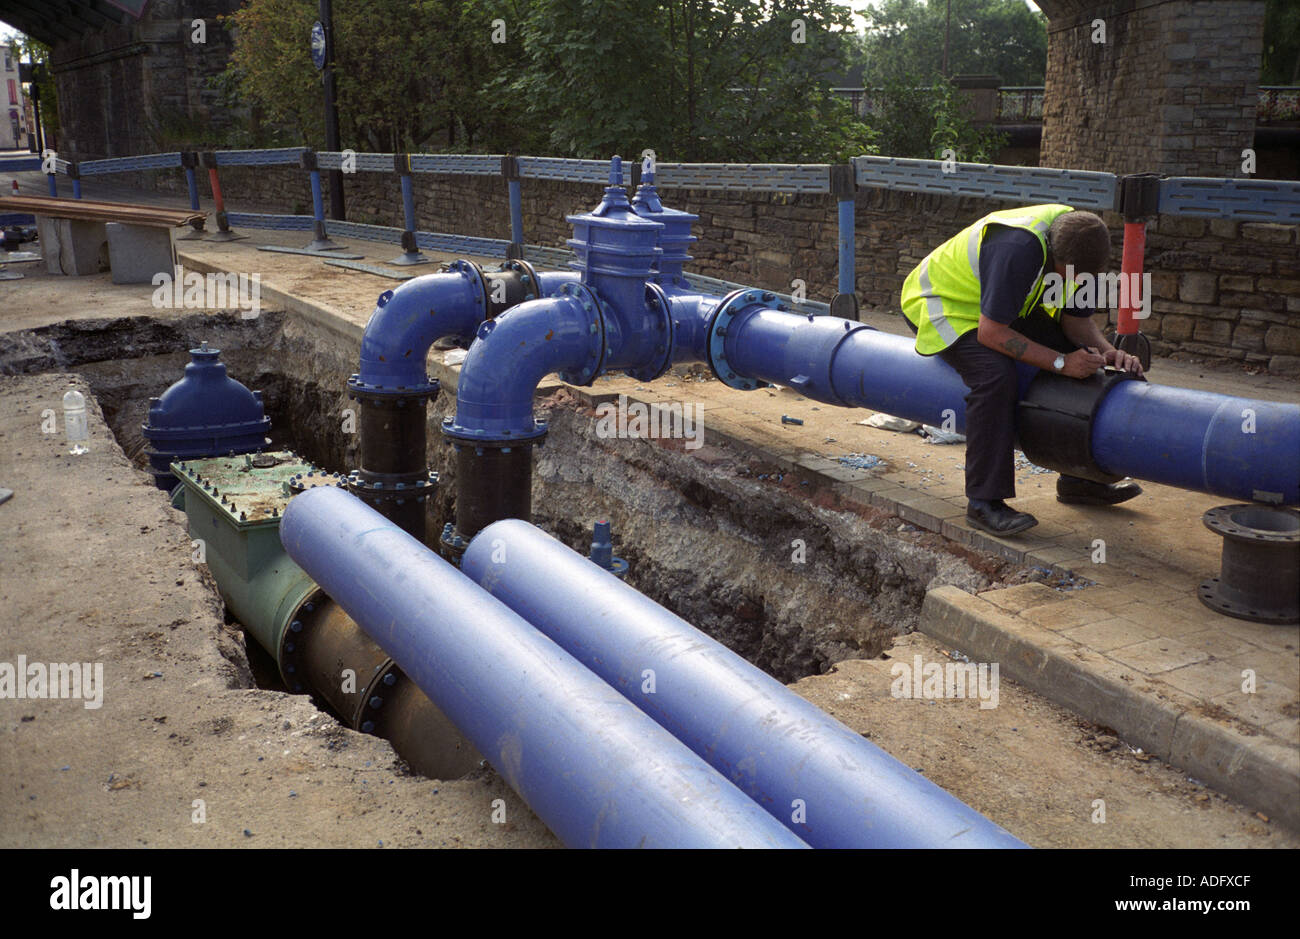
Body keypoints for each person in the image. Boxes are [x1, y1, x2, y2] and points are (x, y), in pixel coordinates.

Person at [899, 204, 1145, 536]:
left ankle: (1080, 480)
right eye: (1066, 275)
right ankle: (984, 504)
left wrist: (1107, 352)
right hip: (945, 305)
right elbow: (991, 333)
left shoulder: (1087, 249)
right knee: (996, 376)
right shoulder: (1017, 249)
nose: (1072, 282)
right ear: (1054, 258)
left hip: (1002, 307)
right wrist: (1060, 362)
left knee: (1082, 358)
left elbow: (1076, 322)